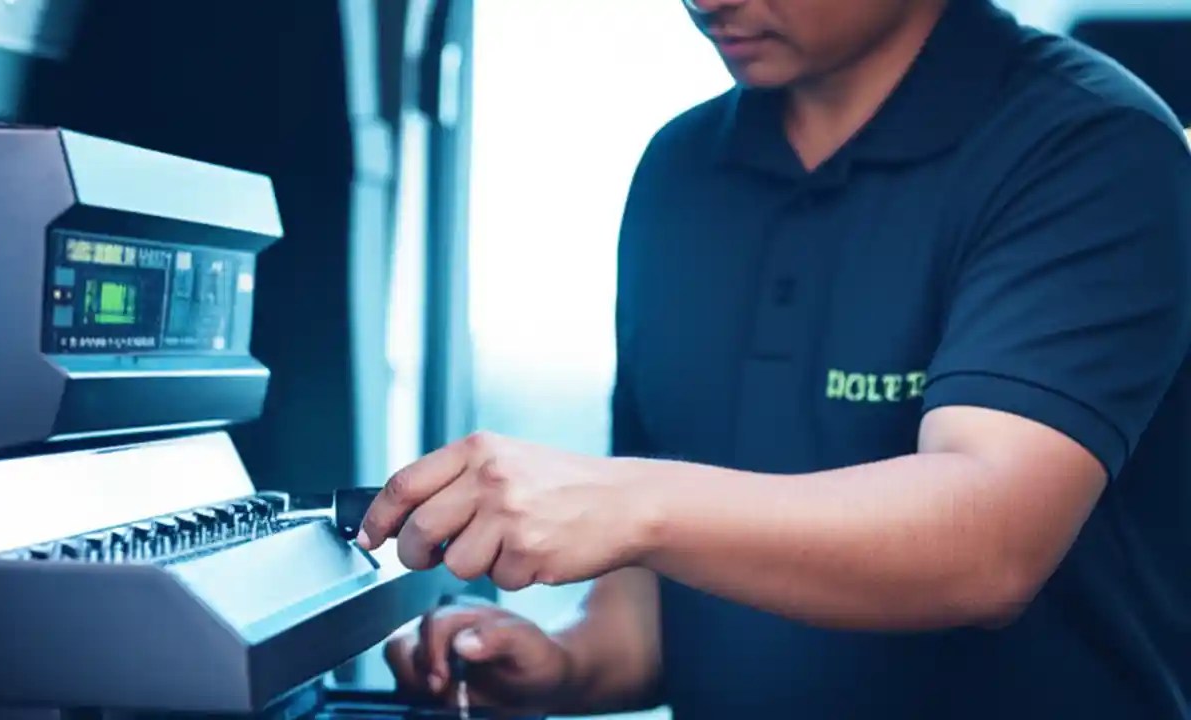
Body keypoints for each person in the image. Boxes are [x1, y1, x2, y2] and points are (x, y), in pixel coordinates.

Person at [359, 0, 1191, 716]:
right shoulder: (679, 172)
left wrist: (625, 500)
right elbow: (655, 606)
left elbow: (991, 545)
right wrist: (561, 663)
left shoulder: (1090, 145)